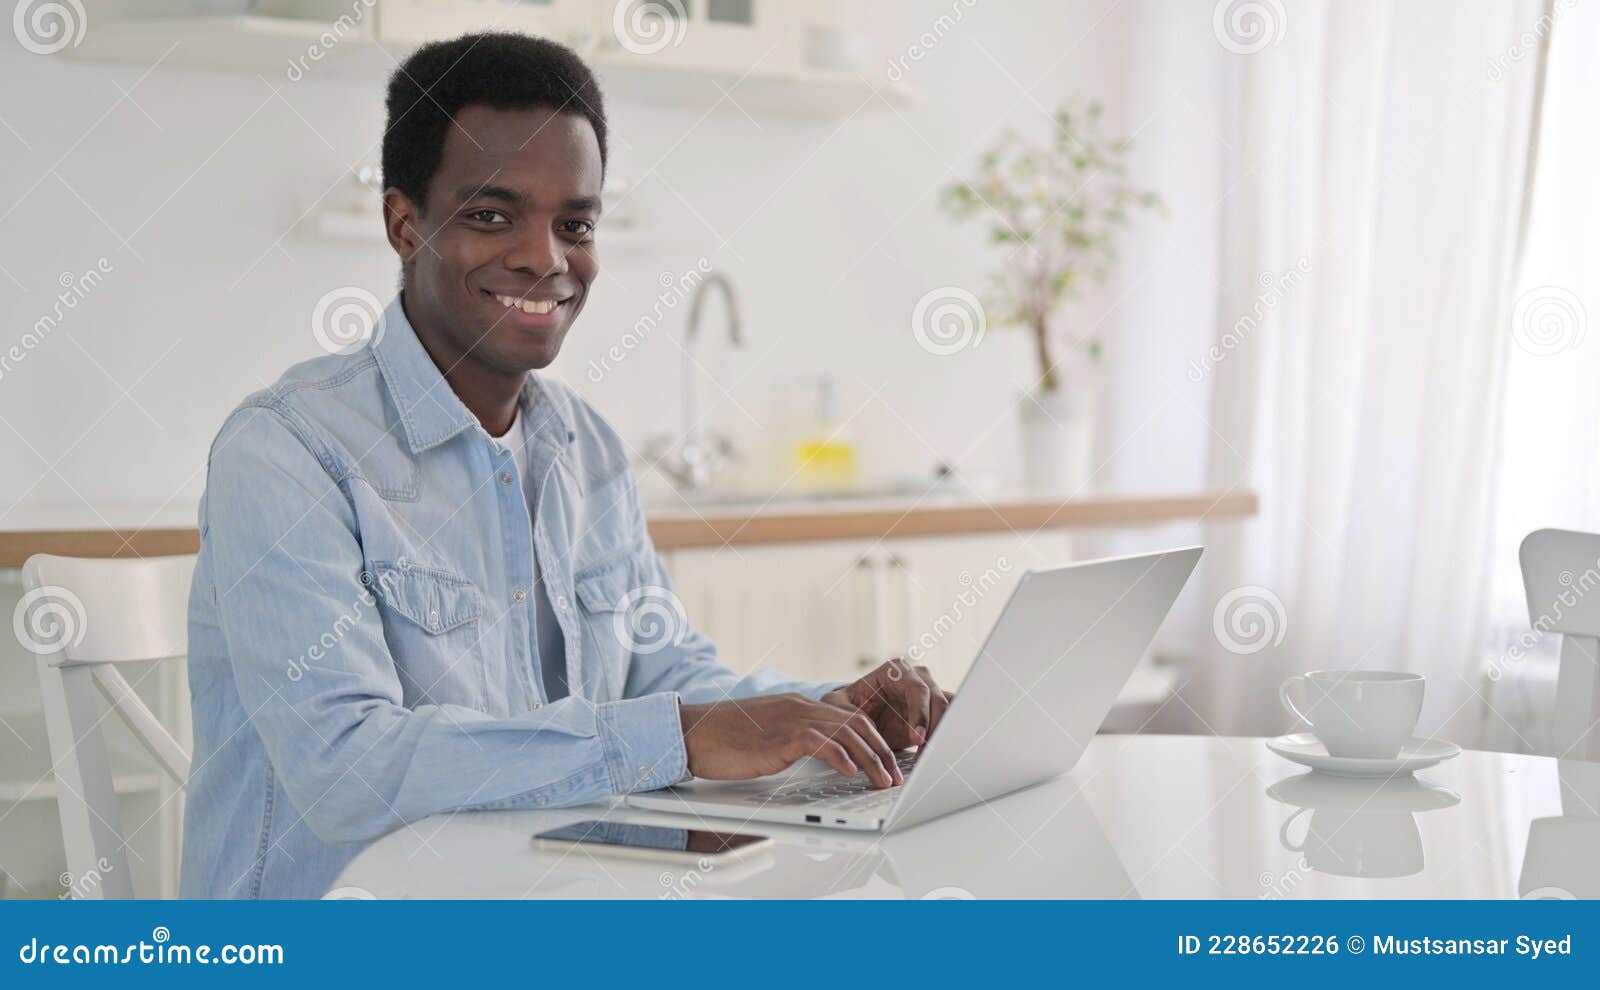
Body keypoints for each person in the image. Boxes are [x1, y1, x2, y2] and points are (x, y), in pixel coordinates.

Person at [180, 32, 951, 899]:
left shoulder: (584, 448)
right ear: (404, 223)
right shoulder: (286, 453)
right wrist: (680, 736)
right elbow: (344, 768)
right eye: (491, 215)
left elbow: (664, 674)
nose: (545, 259)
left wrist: (829, 714)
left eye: (574, 223)